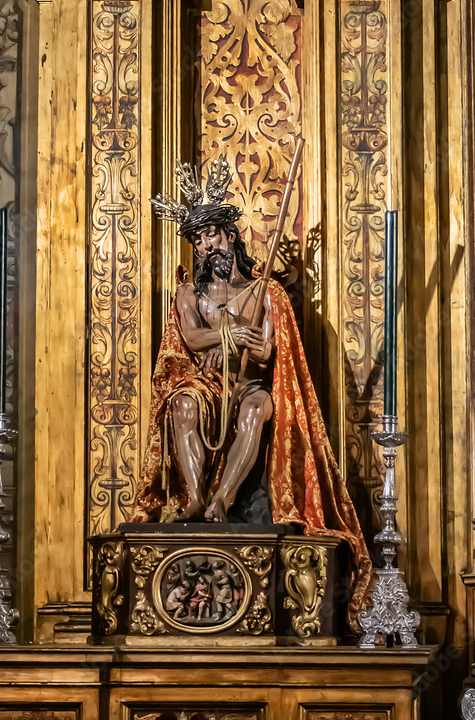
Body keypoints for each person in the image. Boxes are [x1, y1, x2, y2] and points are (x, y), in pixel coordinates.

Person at [130, 156, 372, 629]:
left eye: (213, 234)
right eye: (197, 239)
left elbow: (269, 353)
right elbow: (191, 337)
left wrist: (254, 341)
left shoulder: (266, 293)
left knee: (259, 408)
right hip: (204, 384)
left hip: (247, 387)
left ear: (230, 235)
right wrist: (229, 336)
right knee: (182, 403)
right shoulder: (189, 294)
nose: (206, 245)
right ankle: (197, 500)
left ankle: (223, 500)